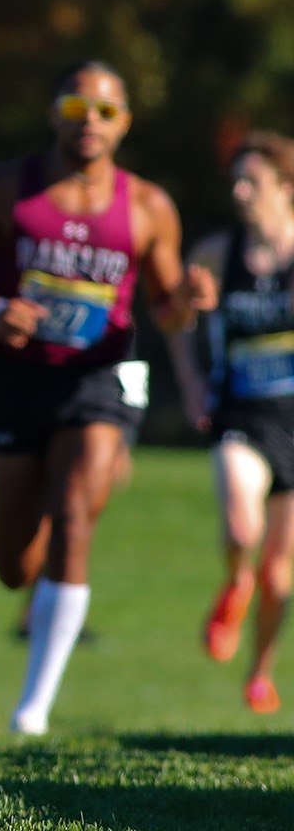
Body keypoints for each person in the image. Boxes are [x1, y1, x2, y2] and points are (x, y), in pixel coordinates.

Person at [0, 60, 195, 736]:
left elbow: (166, 310)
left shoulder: (148, 207)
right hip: (19, 379)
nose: (90, 123)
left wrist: (188, 303)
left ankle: (34, 706)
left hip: (102, 379)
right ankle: (49, 517)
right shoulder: (4, 190)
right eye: (78, 109)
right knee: (14, 567)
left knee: (76, 514)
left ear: (125, 122)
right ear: (55, 114)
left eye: (106, 111)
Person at [173, 131, 294, 714]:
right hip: (239, 414)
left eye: (254, 182)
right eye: (237, 182)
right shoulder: (216, 254)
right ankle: (233, 578)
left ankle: (261, 671)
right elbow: (172, 315)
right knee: (242, 529)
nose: (241, 192)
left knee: (282, 575)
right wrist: (192, 377)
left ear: (287, 188)